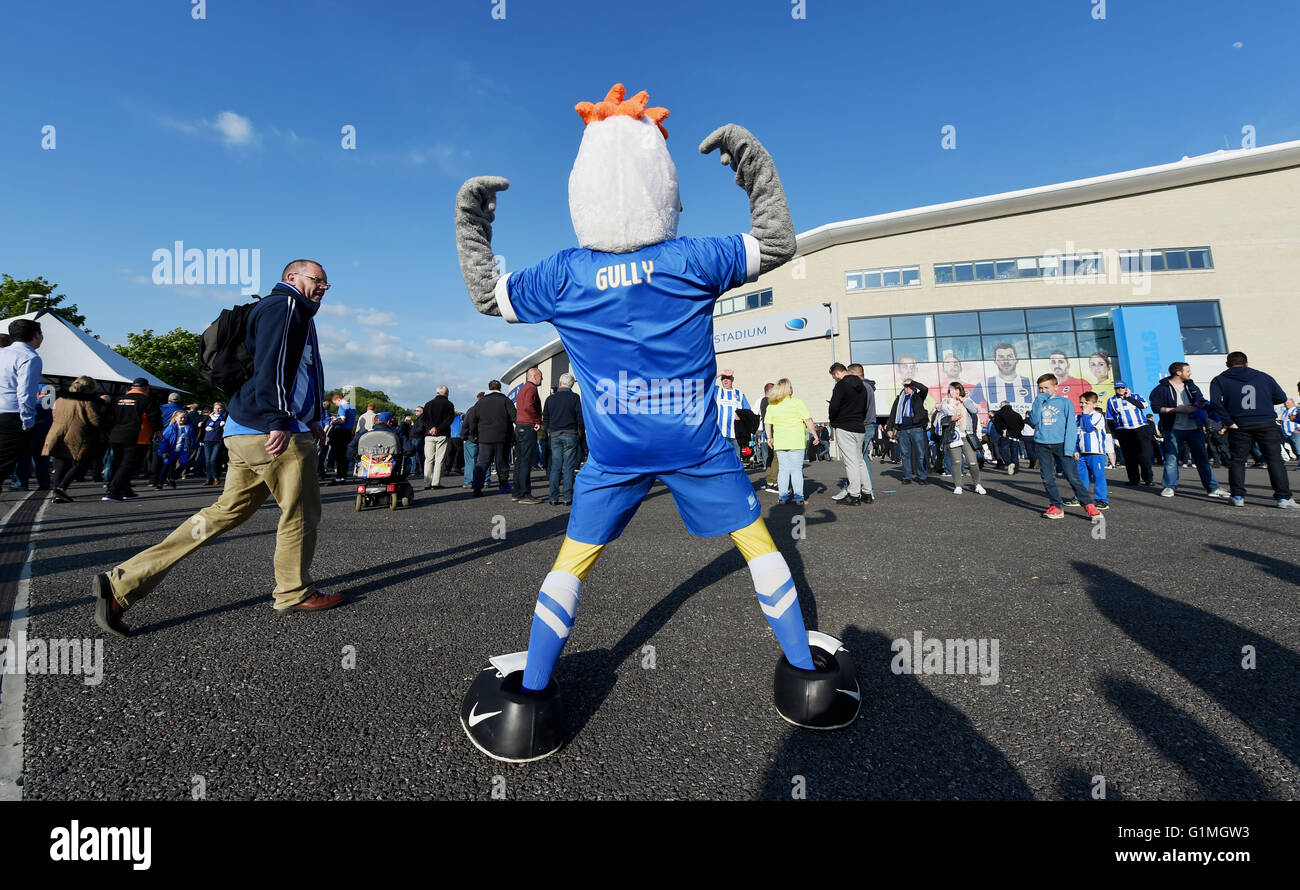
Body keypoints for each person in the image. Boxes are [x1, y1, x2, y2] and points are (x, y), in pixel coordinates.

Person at [92, 259, 342, 638]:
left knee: (224, 513)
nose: (324, 287)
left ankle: (123, 581)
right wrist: (280, 419)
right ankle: (293, 591)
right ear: (291, 278)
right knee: (301, 512)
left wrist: (313, 417)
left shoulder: (283, 310)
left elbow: (292, 371)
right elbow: (274, 367)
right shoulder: (286, 306)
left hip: (243, 427)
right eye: (317, 280)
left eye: (326, 283)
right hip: (271, 430)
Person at [1209, 351, 1296, 508]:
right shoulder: (1263, 376)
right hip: (1265, 421)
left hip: (1239, 423)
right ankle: (1283, 498)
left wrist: (1228, 421)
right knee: (1274, 459)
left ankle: (1238, 496)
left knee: (1238, 460)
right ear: (1247, 363)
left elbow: (1215, 403)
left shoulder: (1220, 379)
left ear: (1227, 364)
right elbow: (1281, 397)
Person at [1148, 362, 1229, 500]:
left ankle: (1212, 488)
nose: (1190, 373)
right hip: (1173, 428)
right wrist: (1177, 410)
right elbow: (1156, 408)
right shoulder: (1161, 389)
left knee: (1202, 459)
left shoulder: (1191, 386)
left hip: (1194, 428)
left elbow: (1199, 400)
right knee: (1171, 458)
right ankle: (1169, 487)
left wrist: (1200, 406)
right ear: (1178, 373)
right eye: (1187, 370)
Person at [1029, 373, 1102, 520]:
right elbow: (1034, 420)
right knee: (1047, 477)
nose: (1043, 391)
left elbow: (1070, 427)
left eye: (1046, 388)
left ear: (1056, 387)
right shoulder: (1039, 402)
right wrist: (1038, 401)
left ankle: (1088, 505)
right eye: (1040, 388)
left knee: (1072, 476)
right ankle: (1056, 506)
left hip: (1061, 444)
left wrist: (1070, 448)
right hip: (1042, 444)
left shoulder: (1064, 402)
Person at [43, 375, 104, 502]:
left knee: (60, 462)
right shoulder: (87, 402)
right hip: (77, 434)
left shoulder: (60, 399)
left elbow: (54, 414)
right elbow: (96, 421)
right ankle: (61, 487)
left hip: (57, 433)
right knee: (82, 461)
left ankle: (57, 492)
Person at [0, 318, 45, 491]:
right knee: (5, 463)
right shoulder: (30, 357)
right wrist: (27, 420)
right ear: (35, 335)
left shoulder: (2, 353)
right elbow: (25, 392)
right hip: (12, 414)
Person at [103, 378, 162, 502]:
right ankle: (113, 491)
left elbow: (108, 417)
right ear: (147, 388)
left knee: (119, 463)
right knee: (129, 465)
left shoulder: (118, 399)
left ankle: (125, 490)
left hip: (116, 435)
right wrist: (158, 431)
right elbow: (154, 417)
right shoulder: (147, 400)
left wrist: (109, 432)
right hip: (137, 436)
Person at [764, 379, 817, 505]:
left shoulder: (772, 405)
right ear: (788, 389)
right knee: (796, 470)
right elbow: (808, 420)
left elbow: (767, 423)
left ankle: (782, 497)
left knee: (783, 470)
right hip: (796, 441)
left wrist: (769, 437)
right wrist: (815, 434)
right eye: (791, 387)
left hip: (781, 442)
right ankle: (799, 498)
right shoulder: (797, 402)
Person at [827, 363, 871, 505]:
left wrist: (833, 420)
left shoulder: (841, 386)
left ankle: (853, 494)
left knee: (850, 462)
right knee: (859, 460)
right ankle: (867, 492)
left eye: (834, 376)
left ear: (837, 373)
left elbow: (834, 406)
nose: (835, 379)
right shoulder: (862, 387)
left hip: (844, 426)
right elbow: (864, 407)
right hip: (859, 426)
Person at [467, 380, 515, 497]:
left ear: (489, 388)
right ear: (500, 389)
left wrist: (474, 434)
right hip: (502, 437)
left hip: (484, 438)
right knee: (502, 463)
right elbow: (514, 416)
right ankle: (503, 486)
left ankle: (477, 488)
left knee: (482, 463)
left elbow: (473, 420)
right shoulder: (505, 400)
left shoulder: (480, 402)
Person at [937, 383, 985, 495]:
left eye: (957, 390)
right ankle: (958, 486)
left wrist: (964, 401)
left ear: (961, 390)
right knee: (957, 462)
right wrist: (951, 417)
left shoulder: (967, 401)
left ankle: (977, 484)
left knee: (973, 462)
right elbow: (943, 414)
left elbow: (974, 410)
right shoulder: (946, 402)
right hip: (953, 435)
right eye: (952, 390)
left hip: (966, 435)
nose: (955, 392)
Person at [543, 372, 583, 506]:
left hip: (555, 435)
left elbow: (546, 418)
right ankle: (567, 497)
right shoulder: (575, 398)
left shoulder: (550, 399)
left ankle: (553, 498)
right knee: (569, 467)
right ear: (571, 384)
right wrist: (580, 432)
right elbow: (579, 417)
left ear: (560, 383)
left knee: (555, 466)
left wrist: (549, 431)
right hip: (571, 434)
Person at [1105, 381, 1155, 486]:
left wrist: (1129, 398)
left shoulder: (1136, 396)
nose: (1120, 390)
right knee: (1129, 456)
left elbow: (1143, 406)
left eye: (1122, 387)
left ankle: (1148, 479)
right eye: (1117, 388)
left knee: (1144, 455)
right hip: (1123, 430)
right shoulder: (1111, 400)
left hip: (1140, 428)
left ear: (1126, 388)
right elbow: (1110, 418)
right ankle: (1134, 479)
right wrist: (1113, 431)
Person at [1073, 391, 1113, 509]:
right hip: (1081, 452)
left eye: (1086, 403)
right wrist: (1075, 449)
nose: (1083, 405)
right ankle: (1079, 497)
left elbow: (1089, 428)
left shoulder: (1097, 416)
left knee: (1098, 476)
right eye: (1081, 402)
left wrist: (1085, 414)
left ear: (1094, 404)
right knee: (1081, 477)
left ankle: (1102, 499)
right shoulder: (1077, 417)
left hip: (1095, 452)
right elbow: (1075, 434)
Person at [885, 377, 929, 484]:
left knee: (920, 453)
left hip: (916, 428)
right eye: (905, 386)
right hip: (903, 430)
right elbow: (893, 414)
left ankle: (922, 477)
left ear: (913, 387)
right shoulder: (899, 399)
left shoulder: (918, 397)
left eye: (909, 386)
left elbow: (925, 389)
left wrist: (912, 382)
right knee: (905, 454)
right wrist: (889, 428)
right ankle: (907, 477)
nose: (906, 388)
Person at [972, 342, 1034, 416]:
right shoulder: (983, 385)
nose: (1006, 361)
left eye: (1010, 356)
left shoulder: (1032, 384)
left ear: (1016, 359)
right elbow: (972, 407)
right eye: (1001, 357)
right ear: (995, 360)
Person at [511, 367, 543, 503]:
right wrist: (536, 420)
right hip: (528, 426)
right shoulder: (531, 388)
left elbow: (522, 407)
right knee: (526, 462)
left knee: (519, 461)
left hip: (520, 427)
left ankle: (517, 492)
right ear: (534, 376)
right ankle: (525, 494)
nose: (542, 379)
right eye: (541, 376)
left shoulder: (523, 389)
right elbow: (528, 407)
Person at [419, 384, 455, 490]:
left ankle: (427, 482)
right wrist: (438, 428)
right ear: (446, 393)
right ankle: (435, 483)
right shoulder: (449, 404)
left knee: (429, 459)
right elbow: (449, 420)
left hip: (429, 434)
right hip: (442, 434)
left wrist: (431, 427)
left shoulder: (428, 404)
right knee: (439, 460)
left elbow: (423, 419)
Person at [715, 368, 752, 458]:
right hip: (720, 433)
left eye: (727, 378)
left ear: (732, 379)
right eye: (723, 378)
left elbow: (748, 412)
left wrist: (742, 417)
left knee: (736, 459)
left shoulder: (740, 394)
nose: (725, 380)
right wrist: (720, 373)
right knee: (722, 458)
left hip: (736, 434)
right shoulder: (717, 391)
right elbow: (707, 381)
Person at [154, 410, 194, 490]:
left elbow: (193, 439)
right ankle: (160, 483)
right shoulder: (170, 428)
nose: (183, 419)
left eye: (185, 418)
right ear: (175, 418)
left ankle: (173, 476)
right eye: (181, 417)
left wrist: (192, 448)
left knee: (185, 464)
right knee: (166, 466)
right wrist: (164, 451)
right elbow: (163, 440)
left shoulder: (189, 427)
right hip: (171, 450)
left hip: (184, 450)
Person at [326, 392, 355, 483]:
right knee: (344, 456)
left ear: (338, 399)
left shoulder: (342, 406)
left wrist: (333, 421)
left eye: (336, 402)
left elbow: (342, 420)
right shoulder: (352, 406)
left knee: (338, 455)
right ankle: (343, 476)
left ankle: (339, 477)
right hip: (348, 432)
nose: (336, 404)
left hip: (340, 432)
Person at [198, 402, 227, 485]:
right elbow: (202, 427)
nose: (217, 410)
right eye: (215, 408)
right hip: (207, 440)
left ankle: (215, 477)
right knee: (207, 460)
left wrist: (225, 427)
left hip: (218, 441)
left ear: (222, 409)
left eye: (219, 408)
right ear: (213, 409)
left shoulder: (225, 418)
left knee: (213, 459)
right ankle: (208, 478)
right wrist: (200, 425)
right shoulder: (208, 417)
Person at [992, 400, 1023, 474]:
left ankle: (1009, 463)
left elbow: (997, 425)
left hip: (1005, 434)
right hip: (1015, 436)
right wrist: (1017, 431)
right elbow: (1022, 425)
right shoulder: (1017, 414)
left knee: (1003, 450)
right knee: (1014, 453)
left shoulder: (999, 414)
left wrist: (1001, 432)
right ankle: (1016, 469)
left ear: (1002, 406)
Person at [461, 392, 484, 488]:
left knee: (470, 461)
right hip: (485, 439)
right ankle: (485, 481)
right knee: (484, 461)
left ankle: (469, 482)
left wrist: (464, 437)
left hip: (471, 439)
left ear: (477, 399)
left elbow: (465, 425)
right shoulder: (489, 410)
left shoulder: (471, 410)